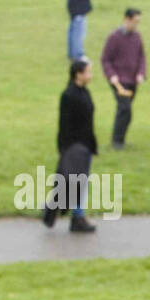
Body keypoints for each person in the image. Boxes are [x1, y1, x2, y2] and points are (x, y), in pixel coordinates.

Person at [45, 59, 100, 233]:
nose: (90, 76)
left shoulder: (85, 92)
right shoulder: (69, 95)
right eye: (88, 72)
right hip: (75, 147)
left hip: (85, 146)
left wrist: (92, 144)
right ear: (78, 74)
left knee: (79, 183)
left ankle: (75, 215)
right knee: (75, 183)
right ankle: (76, 217)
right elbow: (64, 124)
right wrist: (65, 148)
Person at [100, 8, 146, 150]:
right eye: (135, 21)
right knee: (125, 109)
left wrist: (141, 73)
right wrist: (111, 75)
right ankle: (116, 142)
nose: (136, 25)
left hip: (132, 80)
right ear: (126, 19)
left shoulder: (137, 37)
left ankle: (120, 140)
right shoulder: (114, 37)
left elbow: (141, 57)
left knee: (126, 110)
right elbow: (105, 59)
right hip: (119, 81)